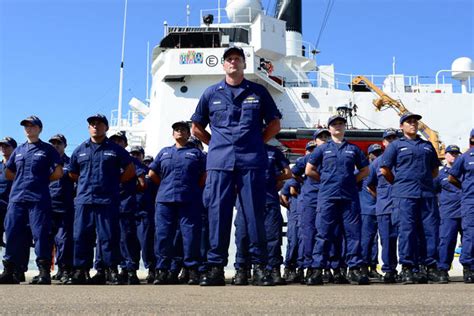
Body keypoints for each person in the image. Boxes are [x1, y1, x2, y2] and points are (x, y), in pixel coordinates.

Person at [191, 46, 282, 286]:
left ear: (244, 64)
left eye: (238, 59)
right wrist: (216, 144)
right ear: (224, 65)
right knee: (218, 214)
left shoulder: (258, 91)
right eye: (229, 59)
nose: (233, 62)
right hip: (220, 162)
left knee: (253, 215)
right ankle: (215, 269)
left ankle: (260, 268)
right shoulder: (211, 93)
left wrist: (256, 142)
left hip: (251, 161)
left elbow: (274, 124)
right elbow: (196, 127)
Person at [65, 114, 135, 285]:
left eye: (99, 124)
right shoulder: (80, 149)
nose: (95, 126)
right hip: (84, 200)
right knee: (81, 236)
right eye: (92, 124)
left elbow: (130, 169)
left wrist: (115, 182)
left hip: (107, 200)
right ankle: (81, 271)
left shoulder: (115, 149)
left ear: (106, 127)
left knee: (108, 236)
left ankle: (111, 270)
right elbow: (73, 173)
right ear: (89, 128)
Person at [305, 115, 370, 285]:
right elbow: (309, 170)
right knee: (324, 233)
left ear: (345, 127)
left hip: (349, 197)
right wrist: (326, 181)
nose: (338, 127)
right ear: (329, 129)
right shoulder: (322, 149)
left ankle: (354, 269)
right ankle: (317, 269)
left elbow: (365, 170)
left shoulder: (353, 149)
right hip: (328, 196)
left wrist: (351, 180)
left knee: (353, 233)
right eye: (334, 124)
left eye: (341, 124)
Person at [380, 112, 443, 284]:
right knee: (407, 231)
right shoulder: (395, 146)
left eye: (415, 121)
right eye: (409, 122)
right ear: (402, 126)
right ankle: (407, 268)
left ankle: (429, 267)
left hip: (426, 195)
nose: (413, 124)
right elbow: (385, 170)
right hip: (404, 195)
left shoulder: (427, 146)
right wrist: (399, 184)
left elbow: (434, 170)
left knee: (430, 231)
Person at [0, 116, 63, 285]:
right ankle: (9, 271)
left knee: (40, 234)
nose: (29, 129)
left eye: (32, 126)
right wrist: (22, 180)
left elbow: (58, 172)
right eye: (26, 126)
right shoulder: (18, 150)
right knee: (12, 232)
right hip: (17, 198)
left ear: (39, 129)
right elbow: (8, 172)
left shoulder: (48, 149)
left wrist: (41, 181)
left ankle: (44, 272)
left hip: (38, 198)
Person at [148, 121, 206, 285]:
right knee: (163, 236)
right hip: (165, 200)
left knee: (190, 235)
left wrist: (193, 188)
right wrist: (166, 186)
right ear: (173, 134)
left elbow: (205, 175)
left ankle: (192, 270)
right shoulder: (164, 152)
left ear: (188, 134)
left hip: (189, 199)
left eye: (183, 130)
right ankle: (163, 271)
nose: (180, 132)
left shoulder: (196, 153)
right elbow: (152, 173)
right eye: (177, 130)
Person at [232, 144, 291, 285]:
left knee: (272, 235)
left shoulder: (273, 152)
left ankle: (272, 269)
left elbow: (287, 173)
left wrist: (270, 181)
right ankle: (242, 269)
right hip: (244, 200)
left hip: (268, 200)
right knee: (243, 235)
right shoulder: (241, 149)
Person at [109, 131, 145, 285]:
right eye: (114, 141)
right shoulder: (108, 160)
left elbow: (142, 183)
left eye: (120, 141)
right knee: (110, 238)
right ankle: (115, 270)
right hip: (109, 205)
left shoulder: (132, 161)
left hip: (126, 205)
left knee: (127, 238)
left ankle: (130, 270)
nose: (117, 143)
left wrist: (127, 191)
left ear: (125, 144)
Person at [366, 128, 399, 283]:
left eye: (394, 138)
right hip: (385, 207)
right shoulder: (377, 163)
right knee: (387, 240)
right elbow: (370, 185)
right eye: (388, 139)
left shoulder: (404, 159)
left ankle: (412, 267)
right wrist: (381, 198)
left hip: (404, 206)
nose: (391, 141)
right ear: (384, 143)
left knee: (410, 237)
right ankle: (389, 270)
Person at [47, 134, 75, 283]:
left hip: (64, 207)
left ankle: (64, 269)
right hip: (46, 206)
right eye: (53, 143)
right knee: (46, 240)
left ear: (65, 145)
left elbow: (77, 183)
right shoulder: (45, 162)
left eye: (59, 143)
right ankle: (45, 270)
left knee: (63, 240)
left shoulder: (70, 163)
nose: (55, 145)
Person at [448, 128, 474, 283]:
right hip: (470, 200)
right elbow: (452, 177)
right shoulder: (464, 158)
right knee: (470, 235)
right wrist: (465, 188)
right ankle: (469, 266)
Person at [433, 145, 462, 283]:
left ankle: (470, 269)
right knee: (446, 241)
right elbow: (433, 191)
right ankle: (443, 269)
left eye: (456, 154)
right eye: (451, 153)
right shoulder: (440, 175)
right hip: (448, 213)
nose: (454, 156)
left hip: (466, 212)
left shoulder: (465, 172)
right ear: (445, 155)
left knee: (470, 241)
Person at [131, 145, 157, 284]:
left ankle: (152, 269)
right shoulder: (127, 171)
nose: (135, 157)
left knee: (147, 243)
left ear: (142, 155)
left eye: (137, 154)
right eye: (133, 154)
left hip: (145, 212)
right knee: (130, 244)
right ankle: (130, 270)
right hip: (130, 212)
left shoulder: (150, 173)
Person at [359, 143, 383, 280]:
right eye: (374, 153)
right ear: (369, 155)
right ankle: (363, 267)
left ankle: (373, 266)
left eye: (379, 153)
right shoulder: (364, 170)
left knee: (375, 239)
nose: (377, 155)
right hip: (367, 208)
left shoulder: (383, 168)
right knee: (366, 239)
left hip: (379, 208)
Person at [280, 177, 302, 283]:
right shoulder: (291, 181)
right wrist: (289, 206)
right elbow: (283, 197)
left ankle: (301, 269)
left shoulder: (312, 179)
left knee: (305, 243)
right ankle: (289, 268)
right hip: (294, 215)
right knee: (293, 243)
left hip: (306, 215)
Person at [0, 137, 17, 248]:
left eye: (7, 146)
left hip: (13, 204)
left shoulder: (18, 166)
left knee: (13, 236)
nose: (3, 148)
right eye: (2, 146)